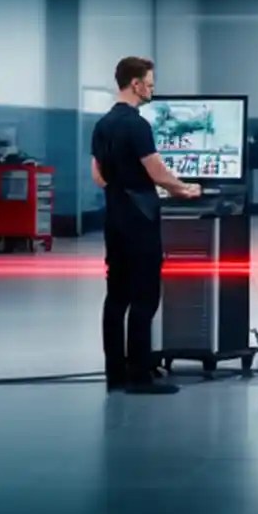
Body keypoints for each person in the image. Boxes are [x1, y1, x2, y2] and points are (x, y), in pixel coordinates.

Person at [91, 57, 201, 394]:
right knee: (145, 296)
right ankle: (139, 376)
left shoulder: (102, 125)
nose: (152, 89)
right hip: (140, 219)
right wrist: (184, 189)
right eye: (149, 84)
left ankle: (116, 375)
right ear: (135, 84)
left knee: (116, 297)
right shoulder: (137, 125)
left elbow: (98, 176)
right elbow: (156, 170)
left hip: (114, 217)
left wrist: (121, 185)